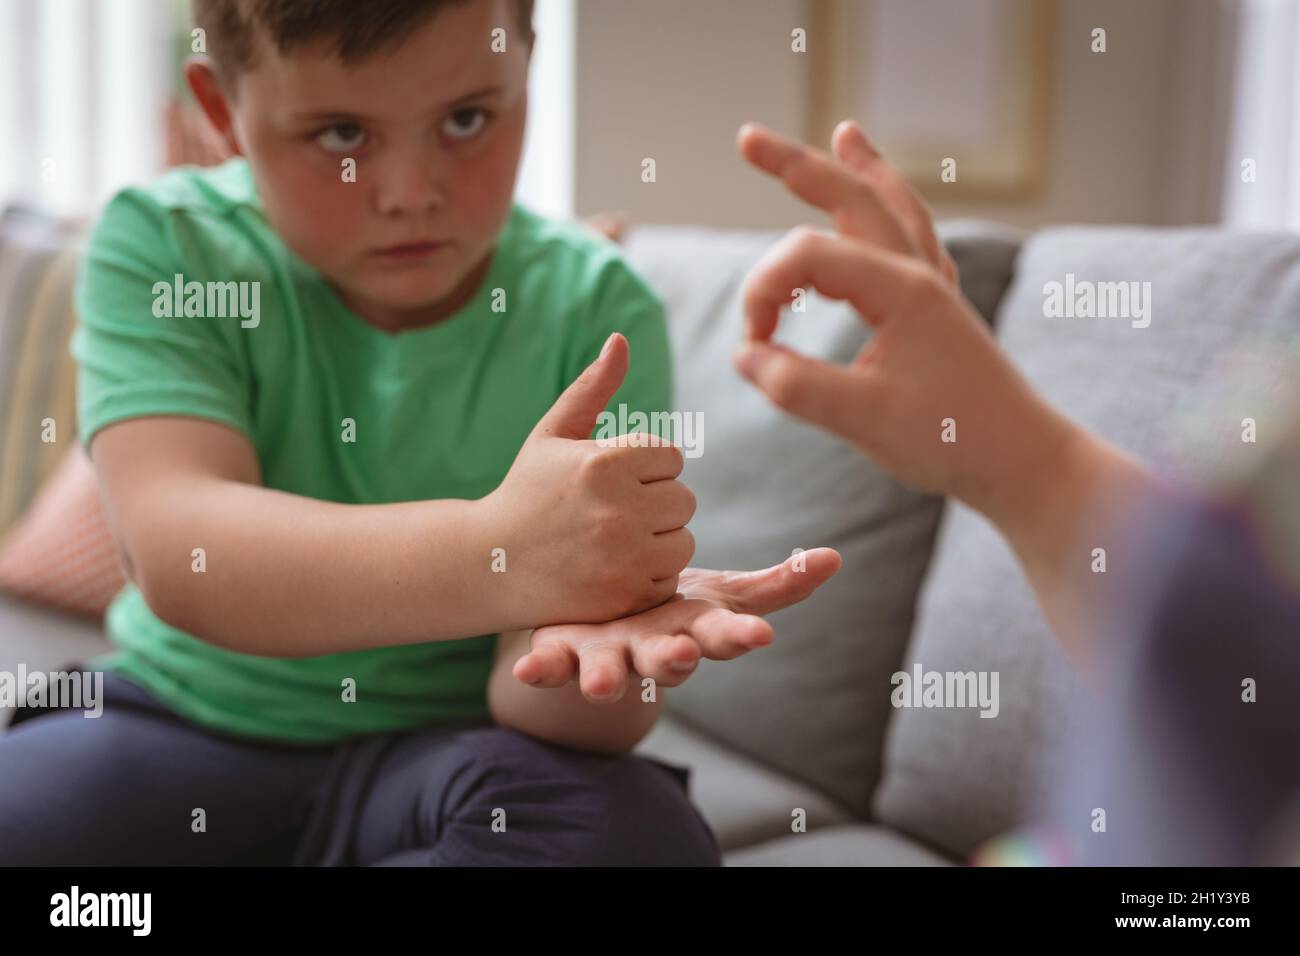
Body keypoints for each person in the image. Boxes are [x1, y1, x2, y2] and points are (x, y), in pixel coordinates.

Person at [0, 0, 843, 867]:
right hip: (179, 721)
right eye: (338, 134)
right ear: (224, 113)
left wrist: (600, 655)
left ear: (527, 67)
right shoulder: (166, 243)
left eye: (468, 119)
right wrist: (503, 553)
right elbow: (182, 548)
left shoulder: (597, 306)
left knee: (633, 839)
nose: (411, 193)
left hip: (457, 750)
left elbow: (557, 695)